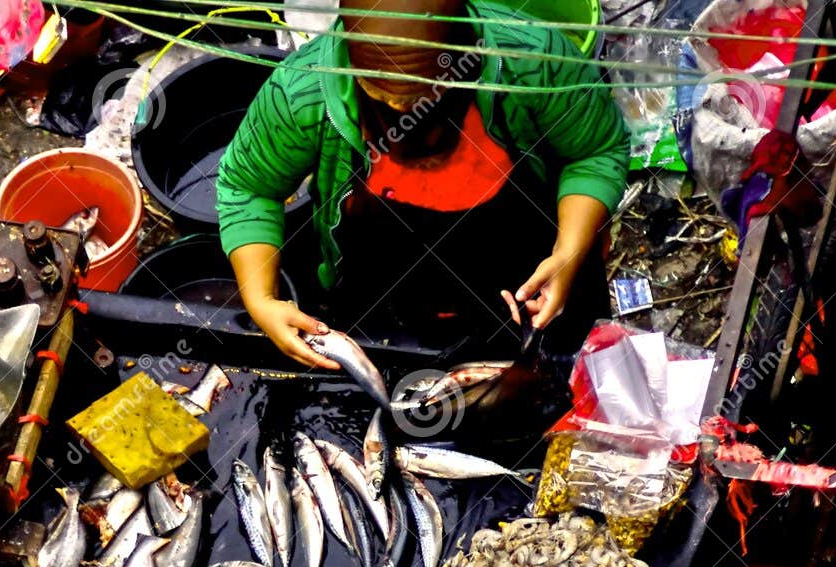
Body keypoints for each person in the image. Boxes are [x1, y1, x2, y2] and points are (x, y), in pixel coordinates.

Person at [217, 0, 629, 377]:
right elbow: (246, 186)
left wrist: (569, 250)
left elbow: (595, 150)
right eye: (383, 101)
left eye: (427, 102)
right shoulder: (301, 94)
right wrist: (261, 299)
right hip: (385, 298)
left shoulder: (534, 61)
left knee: (563, 391)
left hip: (535, 279)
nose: (405, 124)